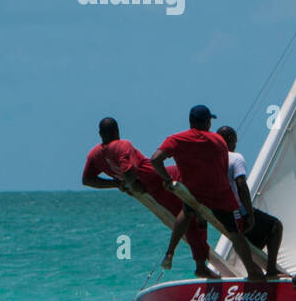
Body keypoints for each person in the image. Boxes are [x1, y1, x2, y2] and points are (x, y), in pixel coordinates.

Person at [82, 116, 215, 277]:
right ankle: (194, 261)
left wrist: (118, 184)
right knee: (192, 212)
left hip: (154, 189)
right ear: (117, 131)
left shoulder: (95, 154)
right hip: (158, 181)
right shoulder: (122, 145)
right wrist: (129, 183)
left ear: (99, 133)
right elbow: (129, 172)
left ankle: (193, 254)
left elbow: (87, 180)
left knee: (192, 213)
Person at [151, 105, 264, 280]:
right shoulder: (218, 141)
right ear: (208, 122)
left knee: (187, 212)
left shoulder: (176, 140)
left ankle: (170, 252)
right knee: (235, 234)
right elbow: (222, 170)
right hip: (220, 196)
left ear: (191, 121)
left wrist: (166, 179)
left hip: (194, 193)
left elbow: (155, 159)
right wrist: (248, 213)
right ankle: (253, 271)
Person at [216, 126, 285, 277]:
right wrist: (250, 213)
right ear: (231, 141)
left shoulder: (209, 160)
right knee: (275, 226)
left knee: (250, 238)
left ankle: (253, 270)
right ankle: (271, 270)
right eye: (234, 141)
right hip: (236, 210)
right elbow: (241, 185)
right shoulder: (235, 158)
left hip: (219, 212)